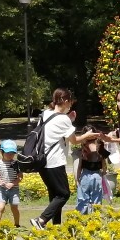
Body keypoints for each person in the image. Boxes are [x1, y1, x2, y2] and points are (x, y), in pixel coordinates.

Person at [31, 87, 102, 229]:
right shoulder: (63, 119)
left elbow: (54, 131)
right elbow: (75, 140)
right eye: (70, 103)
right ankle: (41, 220)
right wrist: (87, 136)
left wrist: (69, 120)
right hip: (54, 162)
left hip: (41, 162)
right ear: (64, 101)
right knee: (63, 194)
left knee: (55, 195)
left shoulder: (46, 114)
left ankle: (56, 227)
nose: (70, 106)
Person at [72, 130, 109, 215]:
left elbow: (80, 165)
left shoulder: (84, 147)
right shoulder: (99, 147)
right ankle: (95, 217)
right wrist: (104, 171)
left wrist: (77, 178)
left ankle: (81, 217)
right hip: (97, 175)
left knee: (82, 199)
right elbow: (103, 163)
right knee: (96, 199)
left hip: (85, 174)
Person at [0, 140, 22, 227]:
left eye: (12, 153)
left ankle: (17, 224)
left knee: (14, 207)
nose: (10, 155)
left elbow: (20, 177)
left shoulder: (16, 164)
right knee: (1, 207)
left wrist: (13, 183)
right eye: (8, 153)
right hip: (1, 189)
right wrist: (0, 181)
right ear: (2, 152)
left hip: (14, 189)